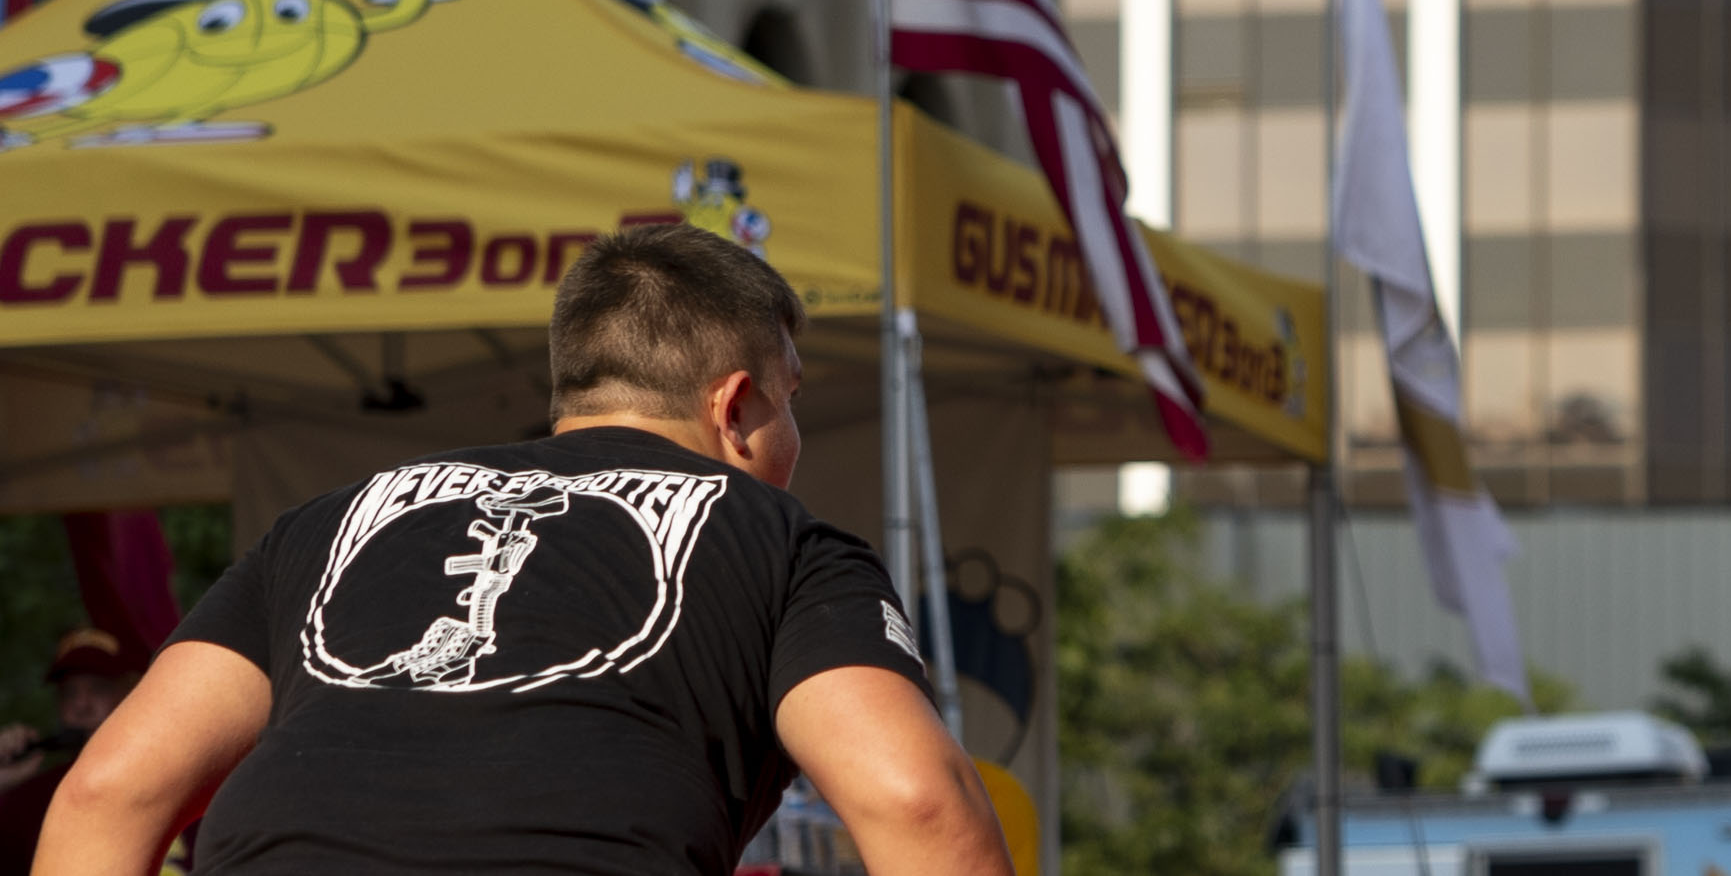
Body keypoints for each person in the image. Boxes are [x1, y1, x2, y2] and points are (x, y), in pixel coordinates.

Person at [34, 223, 1015, 876]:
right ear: (736, 407)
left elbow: (111, 790)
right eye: (789, 398)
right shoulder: (784, 541)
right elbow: (918, 803)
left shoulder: (340, 517)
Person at [0, 630, 141, 874]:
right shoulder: (31, 798)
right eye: (70, 693)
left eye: (98, 689)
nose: (81, 705)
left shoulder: (174, 777)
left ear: (128, 693)